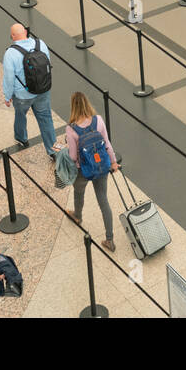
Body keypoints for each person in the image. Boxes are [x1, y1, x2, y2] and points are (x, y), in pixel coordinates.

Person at [65, 91, 119, 252]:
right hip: (102, 166)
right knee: (103, 201)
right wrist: (114, 162)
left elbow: (73, 156)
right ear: (87, 103)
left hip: (84, 170)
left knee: (78, 192)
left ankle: (77, 216)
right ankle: (110, 239)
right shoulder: (99, 120)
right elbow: (107, 143)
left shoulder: (71, 129)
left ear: (73, 107)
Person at [2, 24, 58, 159]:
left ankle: (22, 138)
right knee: (46, 118)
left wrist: (7, 96)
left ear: (13, 36)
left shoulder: (10, 53)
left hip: (23, 95)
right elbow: (47, 65)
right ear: (26, 32)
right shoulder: (41, 44)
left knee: (20, 114)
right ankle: (53, 151)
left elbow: (9, 77)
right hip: (42, 90)